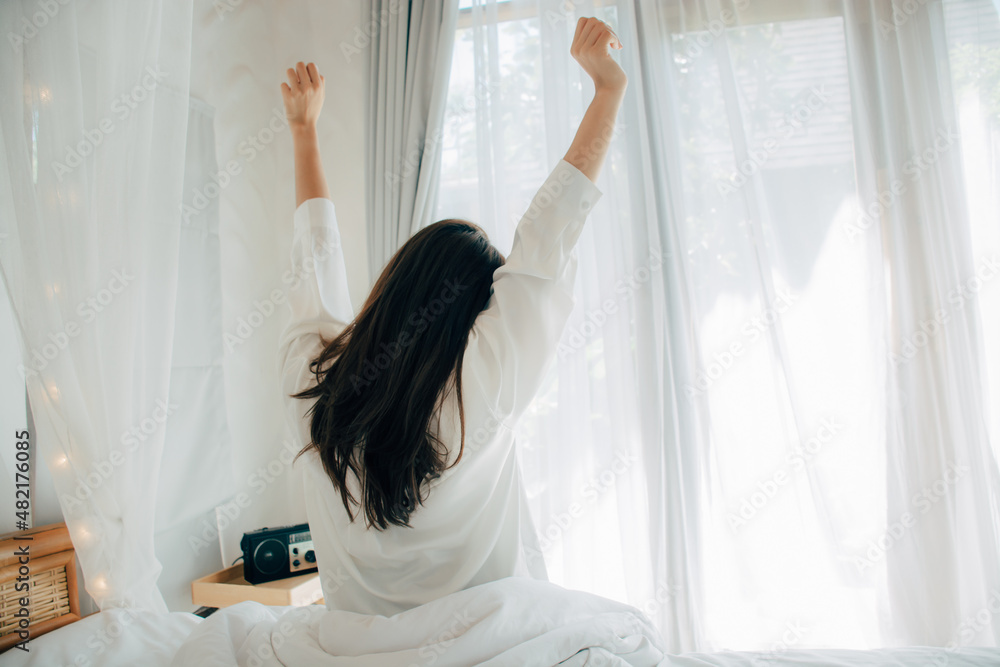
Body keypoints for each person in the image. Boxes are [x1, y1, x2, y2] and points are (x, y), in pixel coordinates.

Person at [277, 16, 627, 616]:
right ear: (473, 315)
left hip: (356, 653)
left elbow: (317, 264)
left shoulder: (314, 388)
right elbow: (548, 240)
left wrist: (303, 132)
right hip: (488, 646)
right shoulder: (483, 383)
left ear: (394, 288)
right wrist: (607, 91)